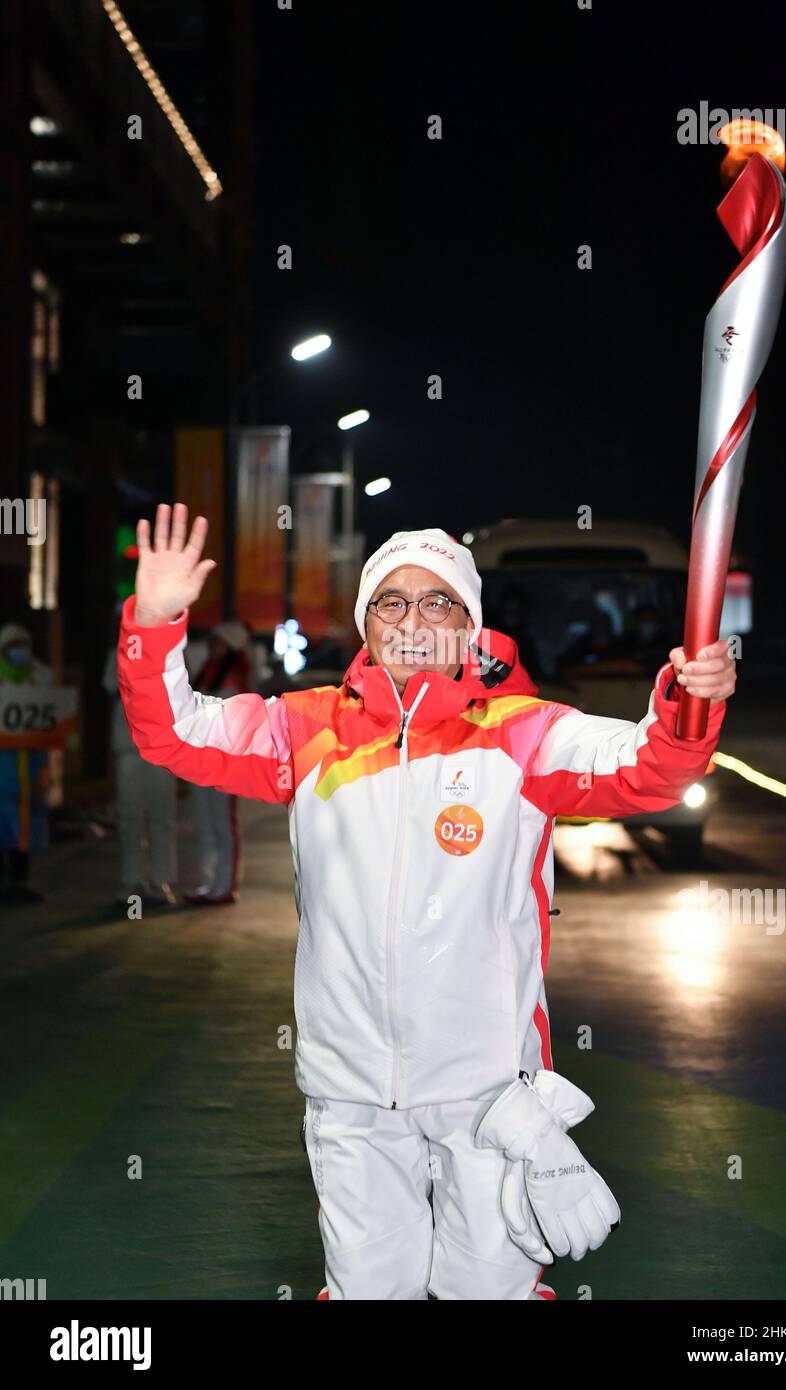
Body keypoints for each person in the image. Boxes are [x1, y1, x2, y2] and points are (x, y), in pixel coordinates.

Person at [118, 503, 737, 1300]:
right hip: (349, 1092)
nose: (414, 620)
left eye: (439, 601)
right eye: (392, 602)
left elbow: (653, 766)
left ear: (471, 626)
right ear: (367, 624)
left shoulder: (526, 734)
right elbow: (172, 732)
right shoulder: (306, 731)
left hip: (489, 1095)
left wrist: (690, 700)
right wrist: (156, 623)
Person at [102, 612, 179, 909]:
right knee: (129, 817)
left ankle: (162, 881)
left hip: (160, 748)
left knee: (162, 815)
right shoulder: (117, 654)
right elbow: (113, 686)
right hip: (128, 748)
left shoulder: (168, 653)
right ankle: (132, 881)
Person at [183, 620, 251, 906]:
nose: (212, 645)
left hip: (225, 763)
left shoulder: (236, 678)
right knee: (204, 822)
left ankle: (226, 885)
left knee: (223, 824)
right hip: (200, 760)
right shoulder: (204, 674)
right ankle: (207, 882)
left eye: (219, 641)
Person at [0, 623, 53, 904]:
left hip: (31, 766)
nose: (20, 652)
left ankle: (19, 881)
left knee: (25, 823)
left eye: (24, 645)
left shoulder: (41, 678)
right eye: (13, 646)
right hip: (3, 766)